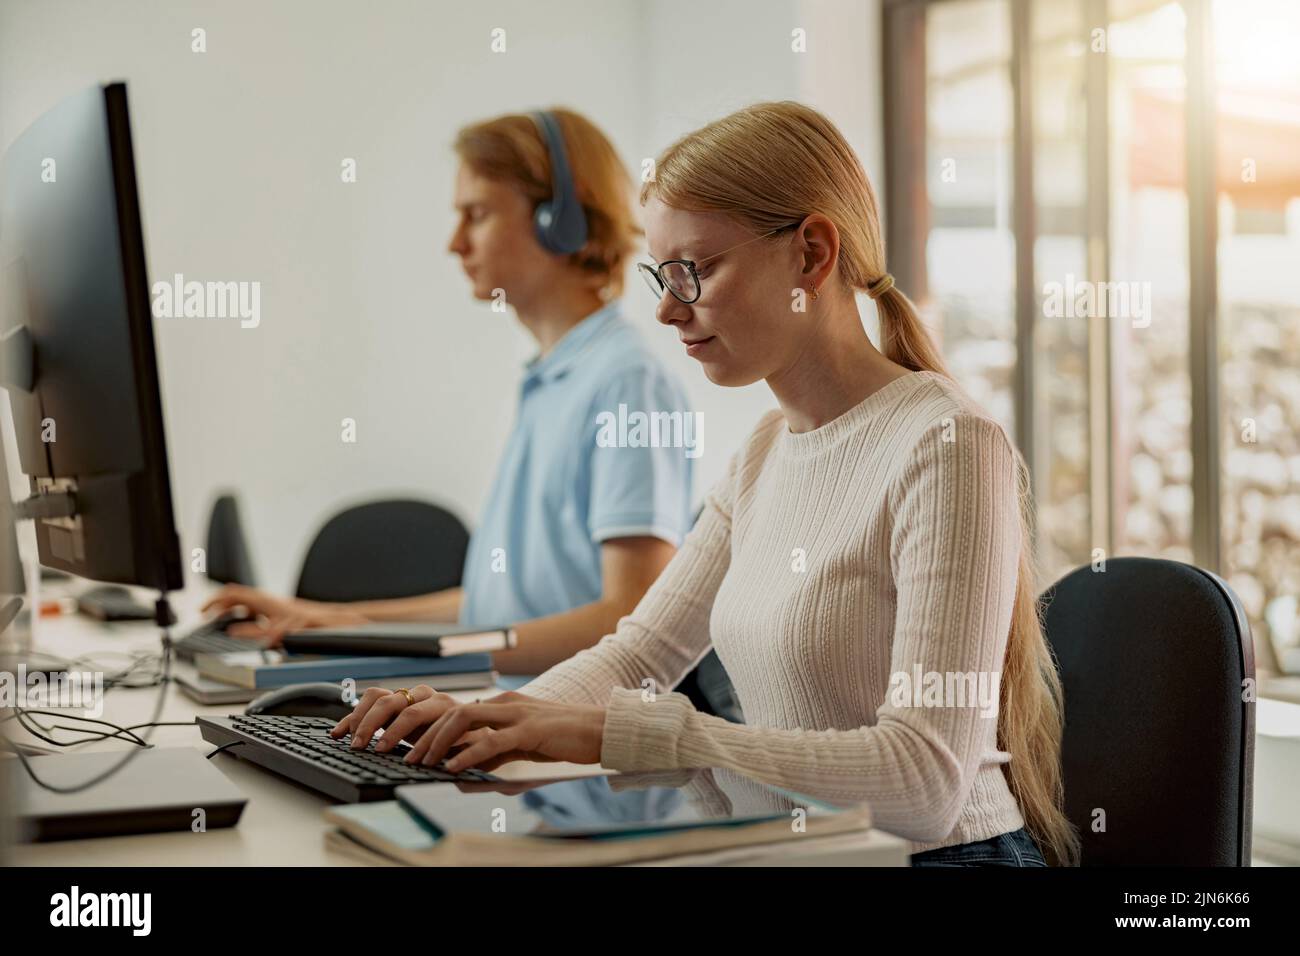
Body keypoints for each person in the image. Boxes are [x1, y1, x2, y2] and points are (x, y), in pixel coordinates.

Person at [330, 101, 1080, 866]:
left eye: (695, 269)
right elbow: (639, 653)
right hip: (792, 852)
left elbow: (925, 784)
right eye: (662, 274)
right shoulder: (764, 450)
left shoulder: (946, 445)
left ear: (812, 255)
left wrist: (624, 733)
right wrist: (482, 718)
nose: (665, 307)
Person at [205, 109, 695, 684]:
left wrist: (434, 649)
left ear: (558, 222)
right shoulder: (551, 380)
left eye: (477, 215)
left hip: (579, 769)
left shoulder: (625, 383)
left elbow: (628, 616)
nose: (455, 243)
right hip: (517, 735)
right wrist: (344, 621)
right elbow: (499, 607)